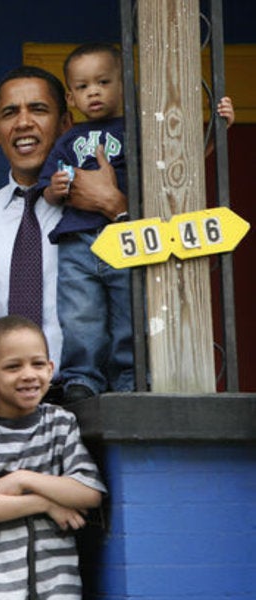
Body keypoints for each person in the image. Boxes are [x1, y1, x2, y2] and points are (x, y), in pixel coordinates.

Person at [38, 43, 236, 401]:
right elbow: (48, 189)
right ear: (70, 97)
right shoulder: (67, 140)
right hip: (77, 243)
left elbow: (184, 161)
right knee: (80, 315)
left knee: (130, 312)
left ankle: (132, 375)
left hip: (127, 237)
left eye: (103, 82)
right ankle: (82, 377)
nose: (93, 91)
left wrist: (219, 129)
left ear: (125, 85)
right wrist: (54, 189)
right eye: (83, 87)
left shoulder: (141, 131)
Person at [0, 65, 127, 381]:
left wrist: (115, 207)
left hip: (97, 396)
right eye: (11, 113)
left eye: (38, 109)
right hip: (9, 404)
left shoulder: (100, 196)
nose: (24, 123)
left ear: (67, 123)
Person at [0, 316, 107, 599]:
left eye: (38, 364)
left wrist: (22, 479)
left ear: (51, 369)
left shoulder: (60, 423)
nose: (29, 374)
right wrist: (45, 503)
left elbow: (89, 492)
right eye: (13, 367)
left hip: (57, 586)